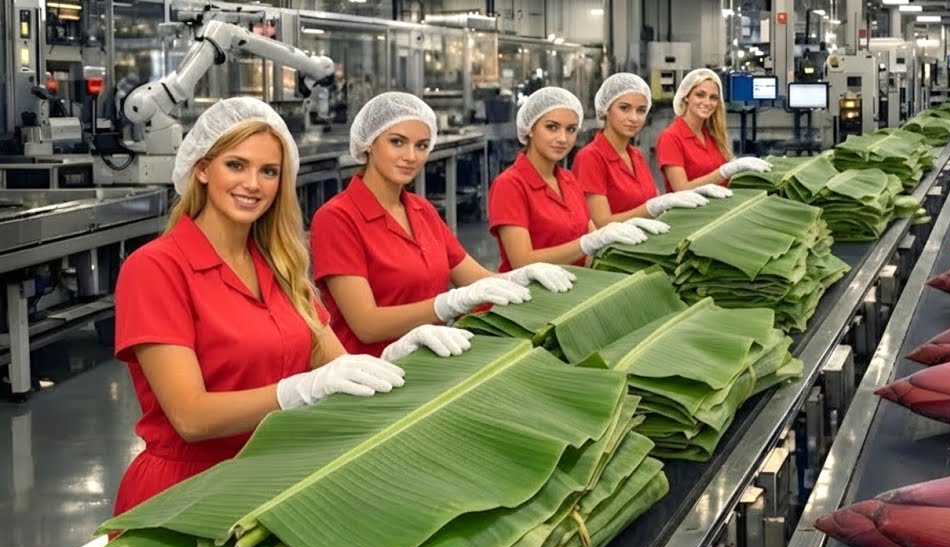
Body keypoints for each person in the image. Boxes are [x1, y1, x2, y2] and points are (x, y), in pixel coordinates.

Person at [111, 98, 470, 516]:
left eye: (269, 172)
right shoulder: (156, 268)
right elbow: (190, 417)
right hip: (188, 496)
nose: (253, 184)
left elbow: (334, 361)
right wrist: (298, 391)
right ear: (202, 169)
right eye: (236, 165)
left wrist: (399, 354)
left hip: (271, 479)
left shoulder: (279, 265)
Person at [310, 92, 573, 358]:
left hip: (435, 361)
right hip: (373, 377)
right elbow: (366, 325)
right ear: (369, 143)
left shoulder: (421, 210)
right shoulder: (337, 218)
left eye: (422, 146)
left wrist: (522, 278)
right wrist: (446, 304)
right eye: (397, 142)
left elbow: (475, 279)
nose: (411, 156)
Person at [489, 86, 665, 271]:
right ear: (530, 129)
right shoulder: (509, 185)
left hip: (577, 285)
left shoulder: (568, 180)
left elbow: (591, 240)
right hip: (532, 294)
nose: (563, 138)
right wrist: (585, 244)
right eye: (552, 127)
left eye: (571, 129)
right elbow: (522, 261)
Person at [573, 72, 732, 228]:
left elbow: (653, 199)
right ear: (606, 109)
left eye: (641, 110)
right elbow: (601, 224)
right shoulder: (590, 157)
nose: (634, 118)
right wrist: (651, 209)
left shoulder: (636, 155)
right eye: (624, 108)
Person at [655, 69, 771, 193]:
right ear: (686, 96)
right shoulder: (671, 137)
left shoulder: (712, 135)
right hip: (689, 211)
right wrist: (724, 172)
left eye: (713, 98)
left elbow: (726, 180)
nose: (707, 102)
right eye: (700, 95)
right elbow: (681, 189)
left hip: (719, 208)